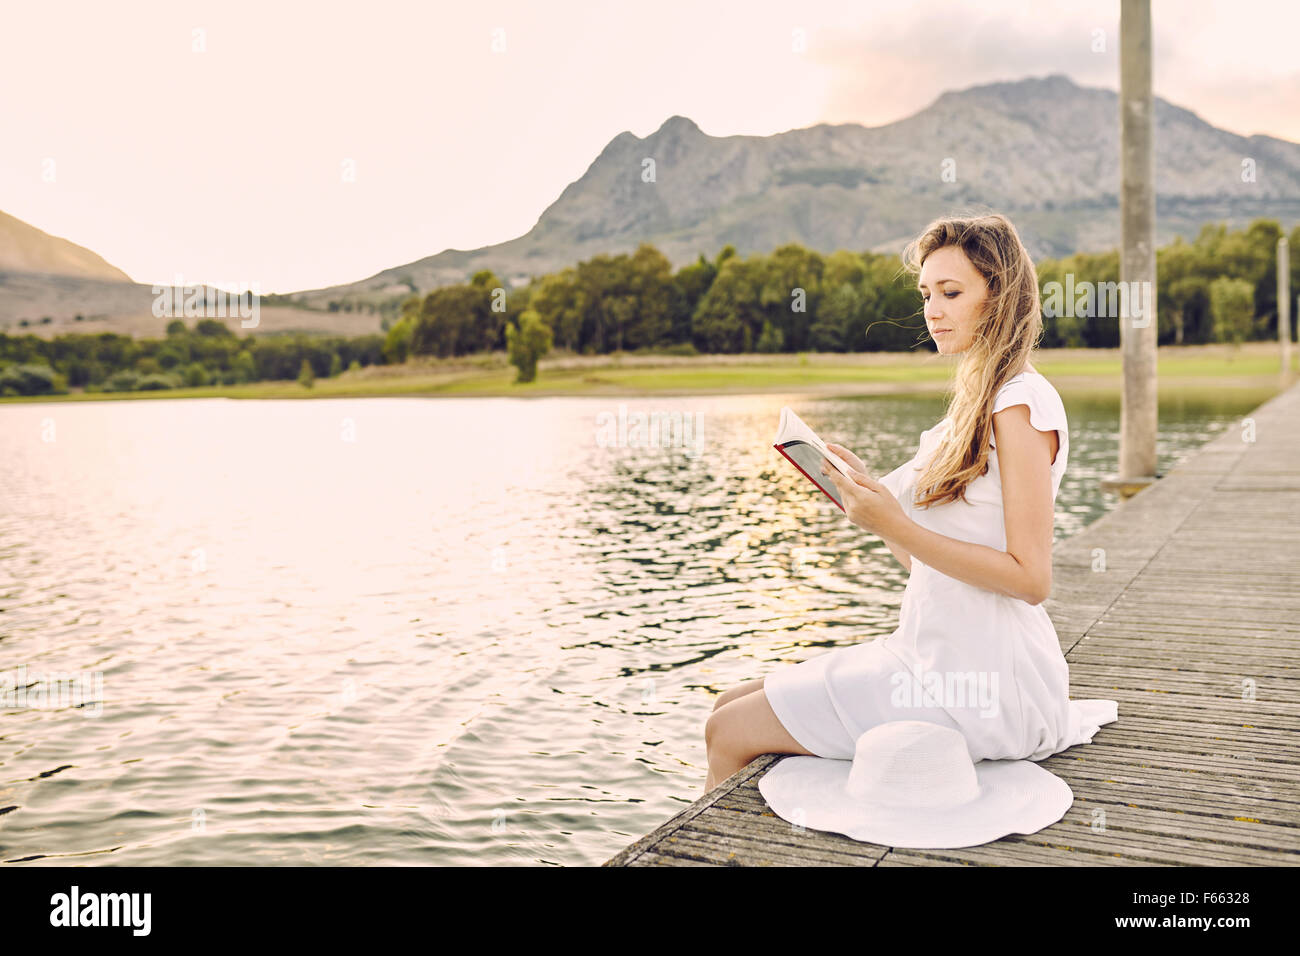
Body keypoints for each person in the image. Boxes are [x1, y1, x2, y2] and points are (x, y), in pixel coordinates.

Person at [704, 212, 1087, 792]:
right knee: (728, 703)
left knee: (730, 731)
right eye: (927, 293)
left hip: (981, 680)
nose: (933, 310)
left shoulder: (1019, 403)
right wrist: (867, 503)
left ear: (999, 295)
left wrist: (896, 522)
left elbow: (1031, 578)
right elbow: (923, 566)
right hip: (927, 649)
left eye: (952, 292)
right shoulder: (970, 405)